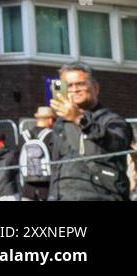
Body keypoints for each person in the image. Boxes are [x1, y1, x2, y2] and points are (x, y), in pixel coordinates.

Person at [48, 63, 133, 201]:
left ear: (95, 88)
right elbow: (58, 164)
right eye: (68, 86)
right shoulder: (61, 124)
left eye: (80, 84)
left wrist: (79, 119)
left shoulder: (111, 119)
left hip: (102, 196)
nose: (74, 90)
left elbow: (117, 145)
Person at [18, 107, 56, 202]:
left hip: (27, 187)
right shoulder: (52, 135)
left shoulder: (23, 136)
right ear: (50, 120)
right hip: (47, 187)